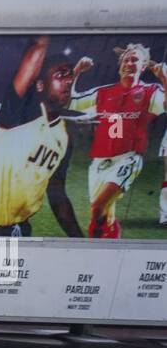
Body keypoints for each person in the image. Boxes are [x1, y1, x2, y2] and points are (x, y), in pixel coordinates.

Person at [0, 37, 85, 237]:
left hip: (21, 230)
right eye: (60, 74)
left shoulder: (64, 136)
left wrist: (80, 241)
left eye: (70, 76)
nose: (69, 80)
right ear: (39, 85)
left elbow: (58, 194)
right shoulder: (19, 115)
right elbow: (38, 46)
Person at [69, 43, 167, 237]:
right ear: (120, 65)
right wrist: (77, 71)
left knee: (98, 206)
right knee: (100, 217)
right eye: (126, 59)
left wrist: (164, 78)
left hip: (128, 159)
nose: (129, 63)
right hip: (99, 162)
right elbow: (72, 102)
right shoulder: (103, 92)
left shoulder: (150, 92)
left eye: (135, 60)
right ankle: (106, 248)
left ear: (144, 66)